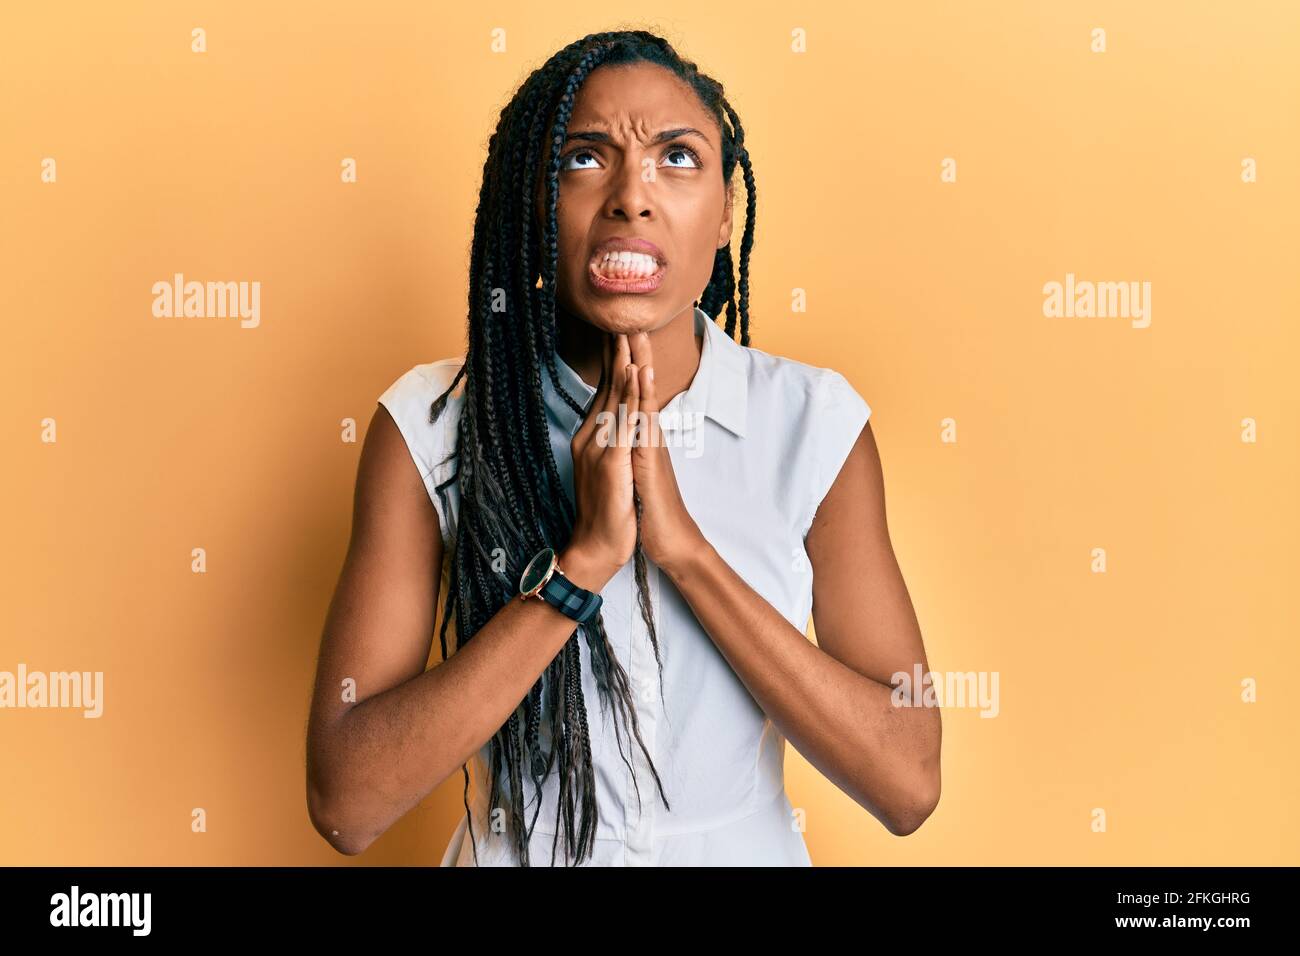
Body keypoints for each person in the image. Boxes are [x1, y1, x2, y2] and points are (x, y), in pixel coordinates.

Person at [306, 29, 940, 867]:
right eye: (583, 159)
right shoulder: (432, 422)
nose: (631, 196)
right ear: (534, 208)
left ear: (724, 218)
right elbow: (346, 802)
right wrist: (581, 570)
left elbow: (909, 781)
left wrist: (685, 552)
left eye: (678, 158)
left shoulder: (812, 424)